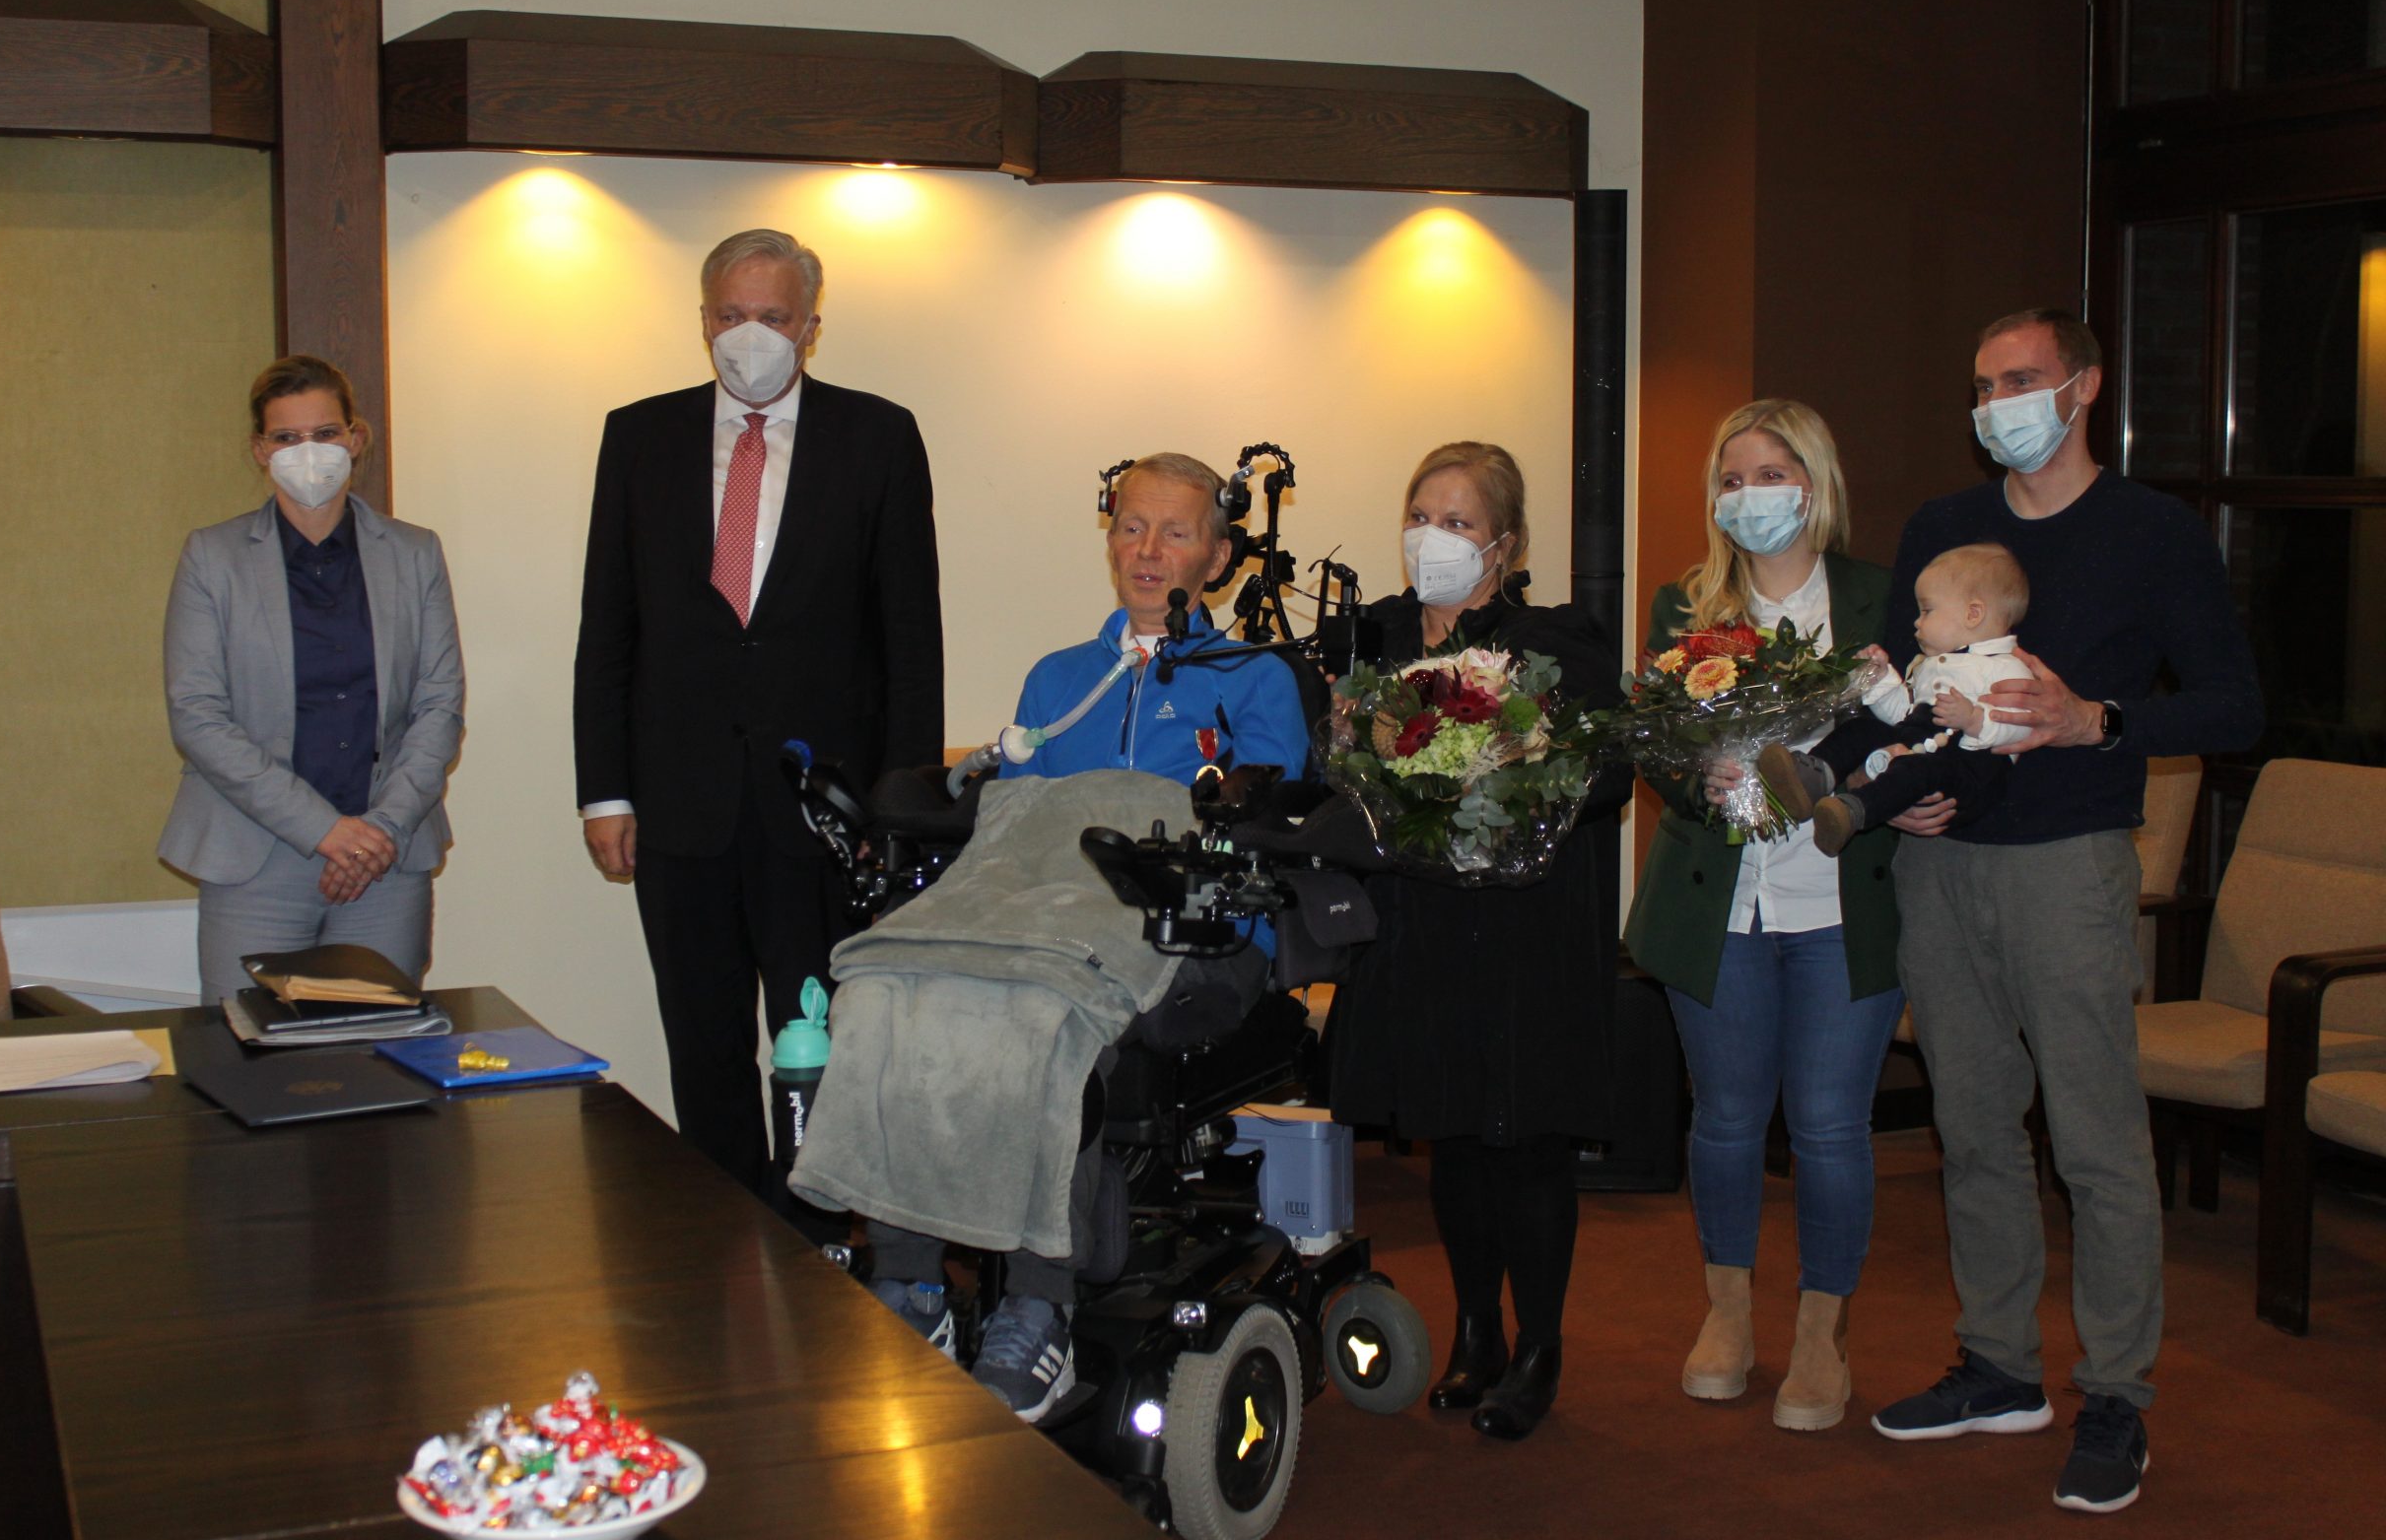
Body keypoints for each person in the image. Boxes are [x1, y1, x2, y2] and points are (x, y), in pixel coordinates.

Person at [801, 452, 1309, 1424]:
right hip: (1047, 921)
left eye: (1174, 532)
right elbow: (1016, 830)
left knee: (1046, 1015)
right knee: (897, 989)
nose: (1147, 550)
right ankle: (911, 1281)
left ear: (1217, 554)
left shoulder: (1253, 680)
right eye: (1130, 527)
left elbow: (1262, 829)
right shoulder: (1059, 679)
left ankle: (1041, 1306)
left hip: (1191, 934)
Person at [1868, 308, 2262, 1514]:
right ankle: (1997, 1366)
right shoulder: (1943, 526)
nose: (1998, 405)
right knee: (1975, 1130)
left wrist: (2101, 720)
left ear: (2082, 388)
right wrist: (1895, 799)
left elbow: (2235, 705)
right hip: (1941, 868)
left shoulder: (2152, 533)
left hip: (2071, 865)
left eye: (2022, 380)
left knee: (2094, 1143)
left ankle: (2115, 1397)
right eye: (1984, 385)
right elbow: (1896, 689)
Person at [573, 229, 943, 1202]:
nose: (750, 336)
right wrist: (602, 792)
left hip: (820, 814)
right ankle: (722, 1223)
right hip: (677, 801)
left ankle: (816, 1229)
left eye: (772, 317)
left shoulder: (878, 437)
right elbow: (607, 629)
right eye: (730, 315)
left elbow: (910, 637)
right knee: (701, 1039)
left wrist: (899, 808)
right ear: (702, 321)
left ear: (811, 328)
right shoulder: (639, 437)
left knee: (818, 1040)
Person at [1325, 440, 1632, 1441]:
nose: (1433, 538)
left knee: (1527, 1145)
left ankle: (1537, 1345)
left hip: (1523, 936)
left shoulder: (1557, 640)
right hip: (1421, 931)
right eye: (1421, 515)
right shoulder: (1367, 638)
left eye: (1457, 523)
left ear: (1506, 543)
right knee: (1450, 1138)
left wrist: (1505, 766)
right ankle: (1474, 1333)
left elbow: (1610, 778)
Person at [1623, 400, 1906, 1431]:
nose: (1751, 495)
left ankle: (1822, 1333)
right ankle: (1727, 1315)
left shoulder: (1880, 597)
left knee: (1831, 1128)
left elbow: (1914, 726)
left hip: (1842, 906)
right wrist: (1708, 780)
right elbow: (1650, 743)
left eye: (1772, 471)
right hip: (1719, 906)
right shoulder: (1681, 604)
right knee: (1727, 1121)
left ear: (1816, 481)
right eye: (1732, 476)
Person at [160, 356, 464, 1003]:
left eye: (325, 433)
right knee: (247, 1064)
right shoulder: (212, 559)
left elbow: (439, 705)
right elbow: (199, 716)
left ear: (355, 438)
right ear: (259, 450)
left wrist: (376, 831)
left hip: (387, 858)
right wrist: (327, 832)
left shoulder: (414, 553)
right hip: (256, 858)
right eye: (287, 438)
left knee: (379, 1067)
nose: (310, 453)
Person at [1760, 541, 2033, 855]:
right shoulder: (1931, 665)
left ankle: (1851, 812)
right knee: (1864, 728)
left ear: (1973, 614)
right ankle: (1811, 778)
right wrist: (1880, 680)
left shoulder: (2009, 666)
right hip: (1919, 747)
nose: (1917, 622)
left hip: (1969, 770)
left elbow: (2021, 724)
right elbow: (1904, 715)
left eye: (1927, 611)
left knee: (1918, 770)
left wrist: (1974, 719)